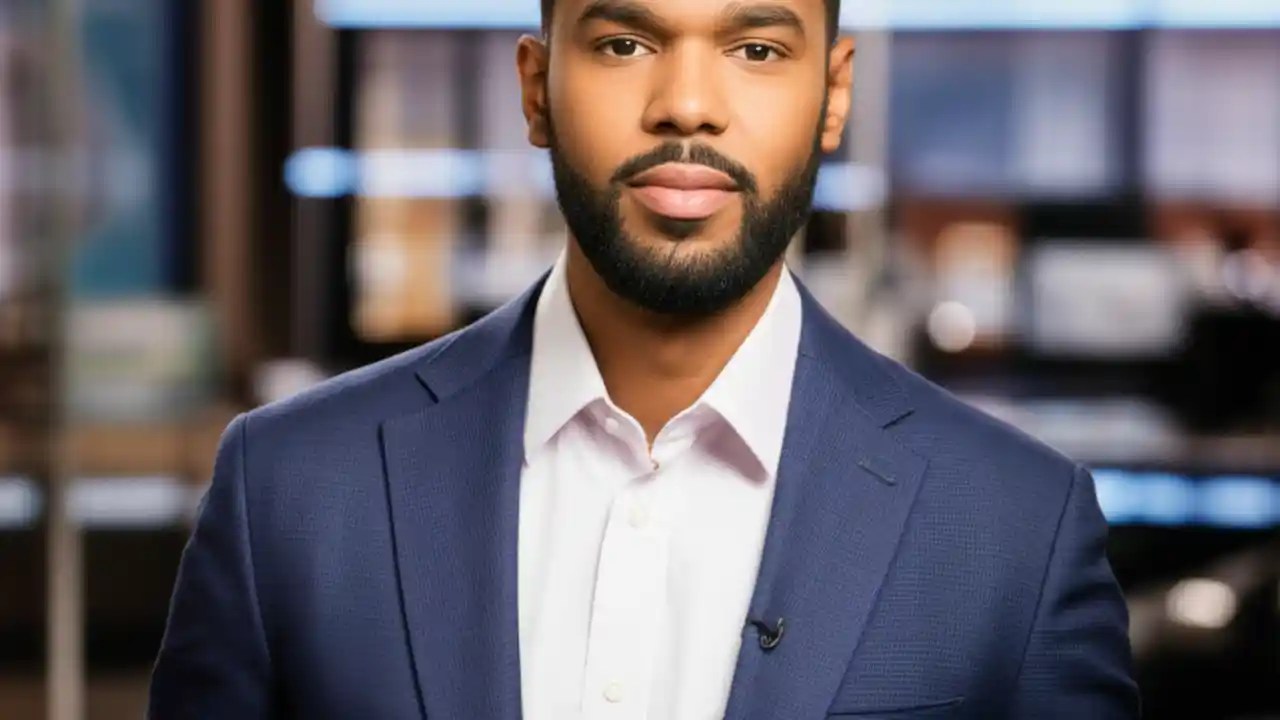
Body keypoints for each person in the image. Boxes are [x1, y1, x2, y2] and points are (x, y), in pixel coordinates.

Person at [149, 0, 1139, 717]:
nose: (686, 106)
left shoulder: (1013, 526)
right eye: (624, 42)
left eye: (754, 47)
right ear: (536, 89)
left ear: (832, 95)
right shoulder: (290, 489)